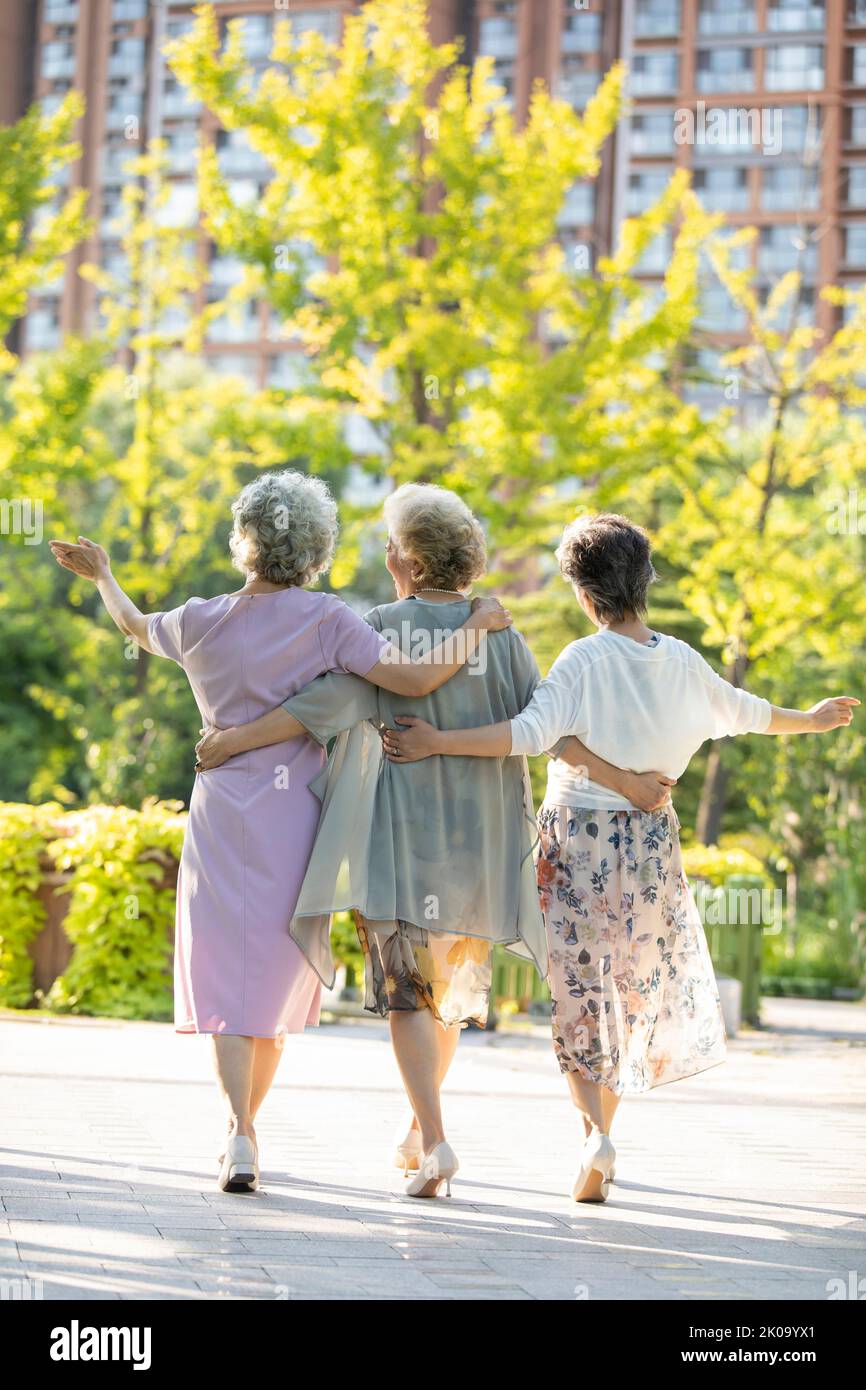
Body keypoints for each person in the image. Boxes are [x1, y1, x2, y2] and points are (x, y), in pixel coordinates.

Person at [193, 487, 669, 1199]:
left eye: (392, 546)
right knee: (445, 996)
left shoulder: (380, 626)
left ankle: (436, 1140)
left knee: (407, 996)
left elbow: (318, 708)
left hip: (398, 844)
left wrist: (231, 740)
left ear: (409, 561)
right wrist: (626, 782)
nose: (386, 556)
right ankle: (421, 1130)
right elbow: (550, 731)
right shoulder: (503, 637)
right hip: (477, 849)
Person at [48, 471, 511, 1194]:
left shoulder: (201, 617)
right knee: (267, 978)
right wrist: (478, 627)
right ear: (317, 548)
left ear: (244, 543)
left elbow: (135, 628)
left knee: (227, 978)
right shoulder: (329, 620)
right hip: (293, 812)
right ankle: (246, 1128)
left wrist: (104, 573)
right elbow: (415, 682)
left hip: (219, 808)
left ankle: (239, 1133)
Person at [382, 513, 858, 1201]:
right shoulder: (684, 662)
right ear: (646, 581)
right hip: (652, 848)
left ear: (583, 593)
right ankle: (596, 1142)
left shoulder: (583, 660)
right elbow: (750, 712)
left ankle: (591, 1137)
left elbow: (528, 735)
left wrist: (435, 744)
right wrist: (809, 719)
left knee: (578, 994)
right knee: (623, 995)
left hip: (576, 841)